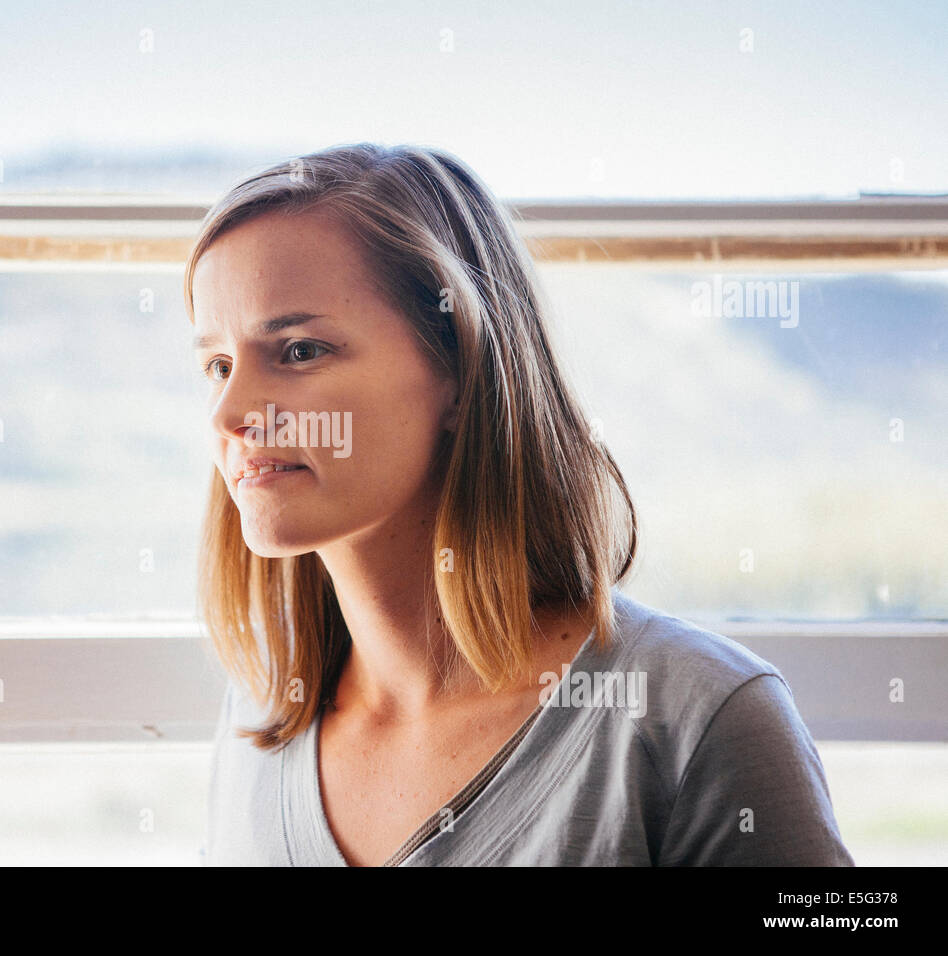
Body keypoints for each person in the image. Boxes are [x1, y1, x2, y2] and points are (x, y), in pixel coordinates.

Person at [184, 142, 854, 866]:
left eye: (300, 350)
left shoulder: (698, 723)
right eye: (217, 365)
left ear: (462, 370)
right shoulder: (259, 718)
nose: (230, 413)